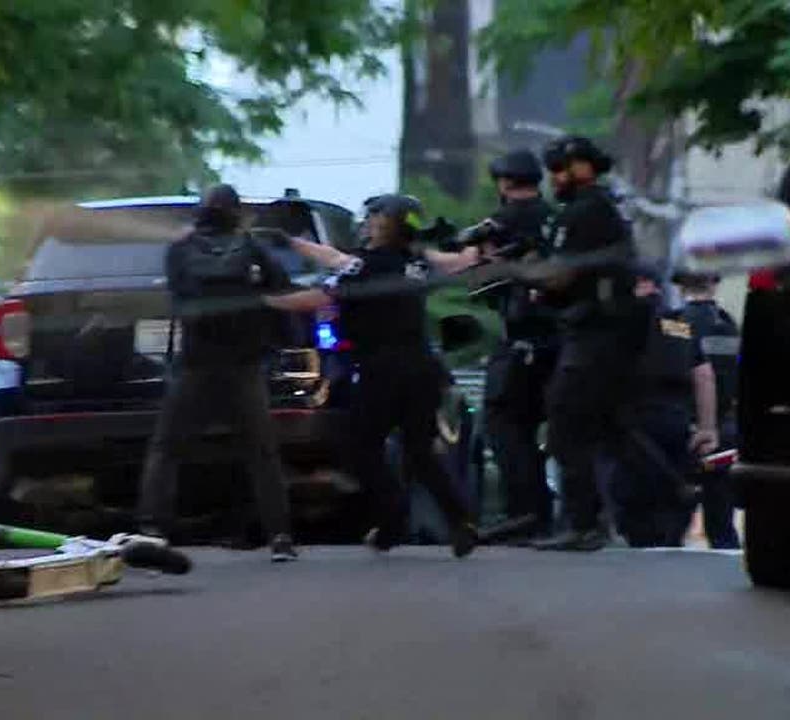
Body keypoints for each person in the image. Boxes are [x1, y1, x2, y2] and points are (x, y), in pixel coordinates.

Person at [267, 193, 478, 558]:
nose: (367, 224)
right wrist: (291, 242)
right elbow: (457, 261)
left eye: (374, 218)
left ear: (386, 223)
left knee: (360, 449)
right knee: (420, 453)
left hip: (383, 373)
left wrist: (264, 300)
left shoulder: (364, 266)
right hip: (423, 371)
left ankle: (393, 519)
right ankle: (461, 522)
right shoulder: (415, 262)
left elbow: (319, 297)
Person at [137, 184, 298, 562]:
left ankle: (151, 528)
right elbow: (282, 288)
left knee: (166, 448)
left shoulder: (179, 249)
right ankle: (280, 536)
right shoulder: (250, 246)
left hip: (195, 363)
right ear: (235, 212)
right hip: (243, 365)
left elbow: (177, 296)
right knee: (262, 453)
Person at [530, 137, 642, 552]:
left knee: (564, 422)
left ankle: (585, 523)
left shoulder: (583, 210)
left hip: (594, 334)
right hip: (603, 333)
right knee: (607, 427)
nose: (555, 178)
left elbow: (560, 277)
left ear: (583, 168)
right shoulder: (603, 208)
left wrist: (525, 274)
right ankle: (601, 518)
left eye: (561, 168)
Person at [471, 150, 560, 542]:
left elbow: (469, 261)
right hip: (559, 338)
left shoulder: (506, 220)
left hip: (527, 339)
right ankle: (546, 513)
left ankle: (525, 512)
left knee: (503, 422)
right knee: (548, 428)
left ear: (505, 182)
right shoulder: (553, 217)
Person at [608, 263, 718, 546]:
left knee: (633, 499)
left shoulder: (622, 323)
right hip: (677, 423)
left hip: (634, 426)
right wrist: (707, 428)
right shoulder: (680, 326)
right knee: (671, 498)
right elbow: (704, 376)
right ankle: (666, 546)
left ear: (641, 285)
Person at [673, 270, 741, 548]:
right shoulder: (726, 322)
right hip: (726, 426)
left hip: (687, 427)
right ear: (713, 284)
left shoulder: (676, 323)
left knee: (675, 511)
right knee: (721, 515)